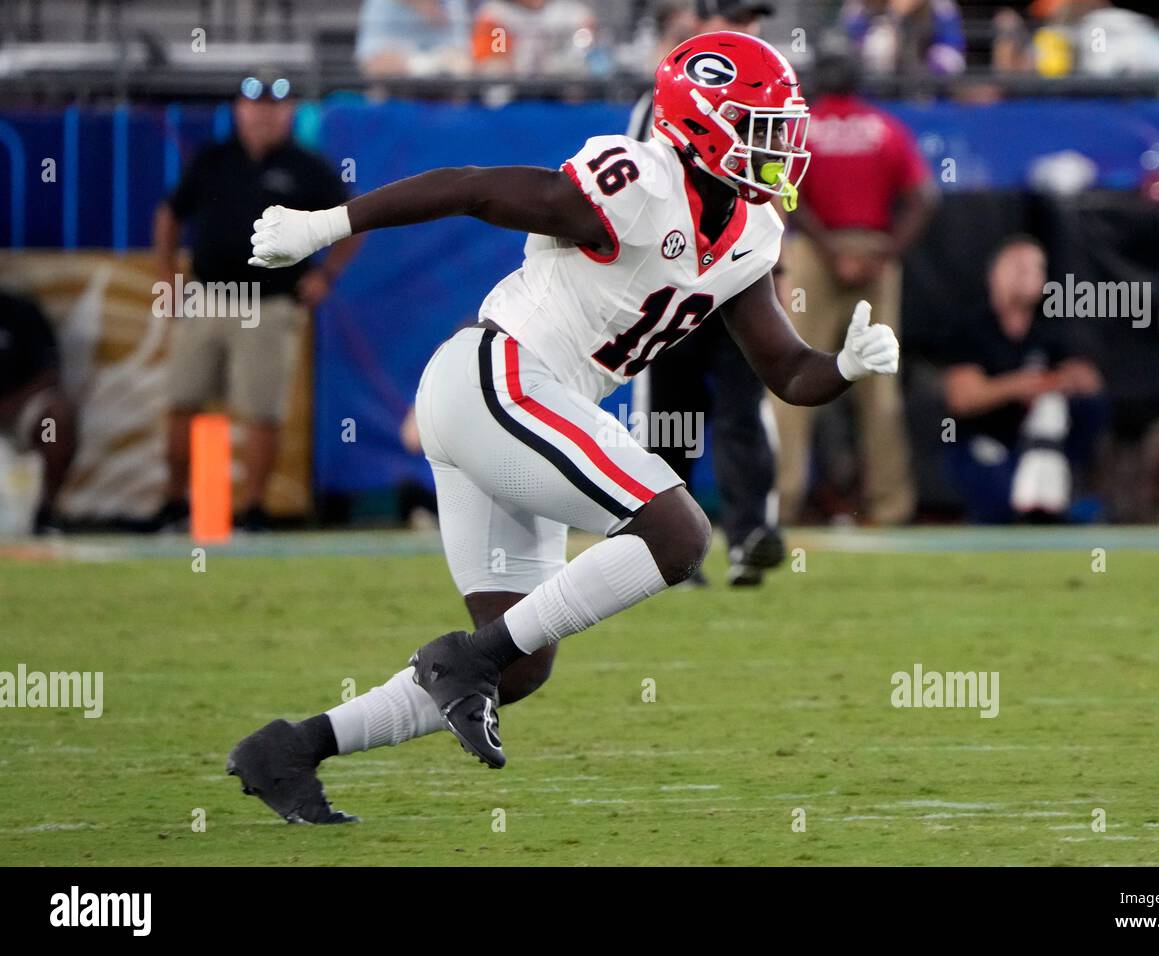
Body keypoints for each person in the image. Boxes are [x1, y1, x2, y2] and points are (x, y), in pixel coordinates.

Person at [226, 31, 899, 823]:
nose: (780, 146)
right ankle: (460, 661)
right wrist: (326, 224)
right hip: (498, 378)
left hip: (511, 411)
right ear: (702, 125)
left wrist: (845, 365)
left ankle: (290, 751)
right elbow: (473, 187)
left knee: (520, 662)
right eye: (759, 126)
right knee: (678, 535)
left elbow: (786, 371)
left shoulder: (751, 232)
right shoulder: (637, 182)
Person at [152, 70, 362, 532]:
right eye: (255, 105)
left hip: (270, 302)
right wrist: (167, 281)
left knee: (260, 412)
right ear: (238, 110)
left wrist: (324, 276)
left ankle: (252, 510)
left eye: (273, 106)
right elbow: (169, 214)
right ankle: (173, 504)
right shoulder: (212, 159)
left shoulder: (308, 167)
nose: (264, 114)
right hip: (208, 296)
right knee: (182, 401)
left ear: (288, 113)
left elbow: (352, 222)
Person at [629, 0, 784, 588]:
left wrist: (775, 266)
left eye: (752, 18)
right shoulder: (668, 100)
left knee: (744, 409)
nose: (749, 29)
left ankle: (749, 536)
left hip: (739, 279)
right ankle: (672, 547)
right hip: (676, 279)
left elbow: (776, 189)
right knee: (673, 416)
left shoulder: (767, 99)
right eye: (736, 17)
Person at [776, 46, 936, 526]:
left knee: (792, 378)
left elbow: (786, 193)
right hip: (874, 248)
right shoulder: (884, 126)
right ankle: (890, 505)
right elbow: (924, 196)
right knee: (881, 384)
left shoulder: (803, 128)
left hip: (815, 250)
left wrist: (829, 251)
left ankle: (781, 502)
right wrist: (886, 254)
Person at [942, 236, 1103, 523]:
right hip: (985, 443)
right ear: (994, 275)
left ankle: (1067, 494)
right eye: (1019, 266)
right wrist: (1017, 386)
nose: (1029, 274)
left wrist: (1061, 381)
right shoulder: (973, 328)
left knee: (1087, 408)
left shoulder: (1050, 330)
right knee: (1003, 506)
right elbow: (962, 399)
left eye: (1037, 268)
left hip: (1036, 443)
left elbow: (1087, 381)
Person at [0, 290, 77, 535]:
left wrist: (10, 406)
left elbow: (49, 373)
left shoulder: (19, 311)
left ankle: (46, 511)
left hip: (19, 414)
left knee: (56, 420)